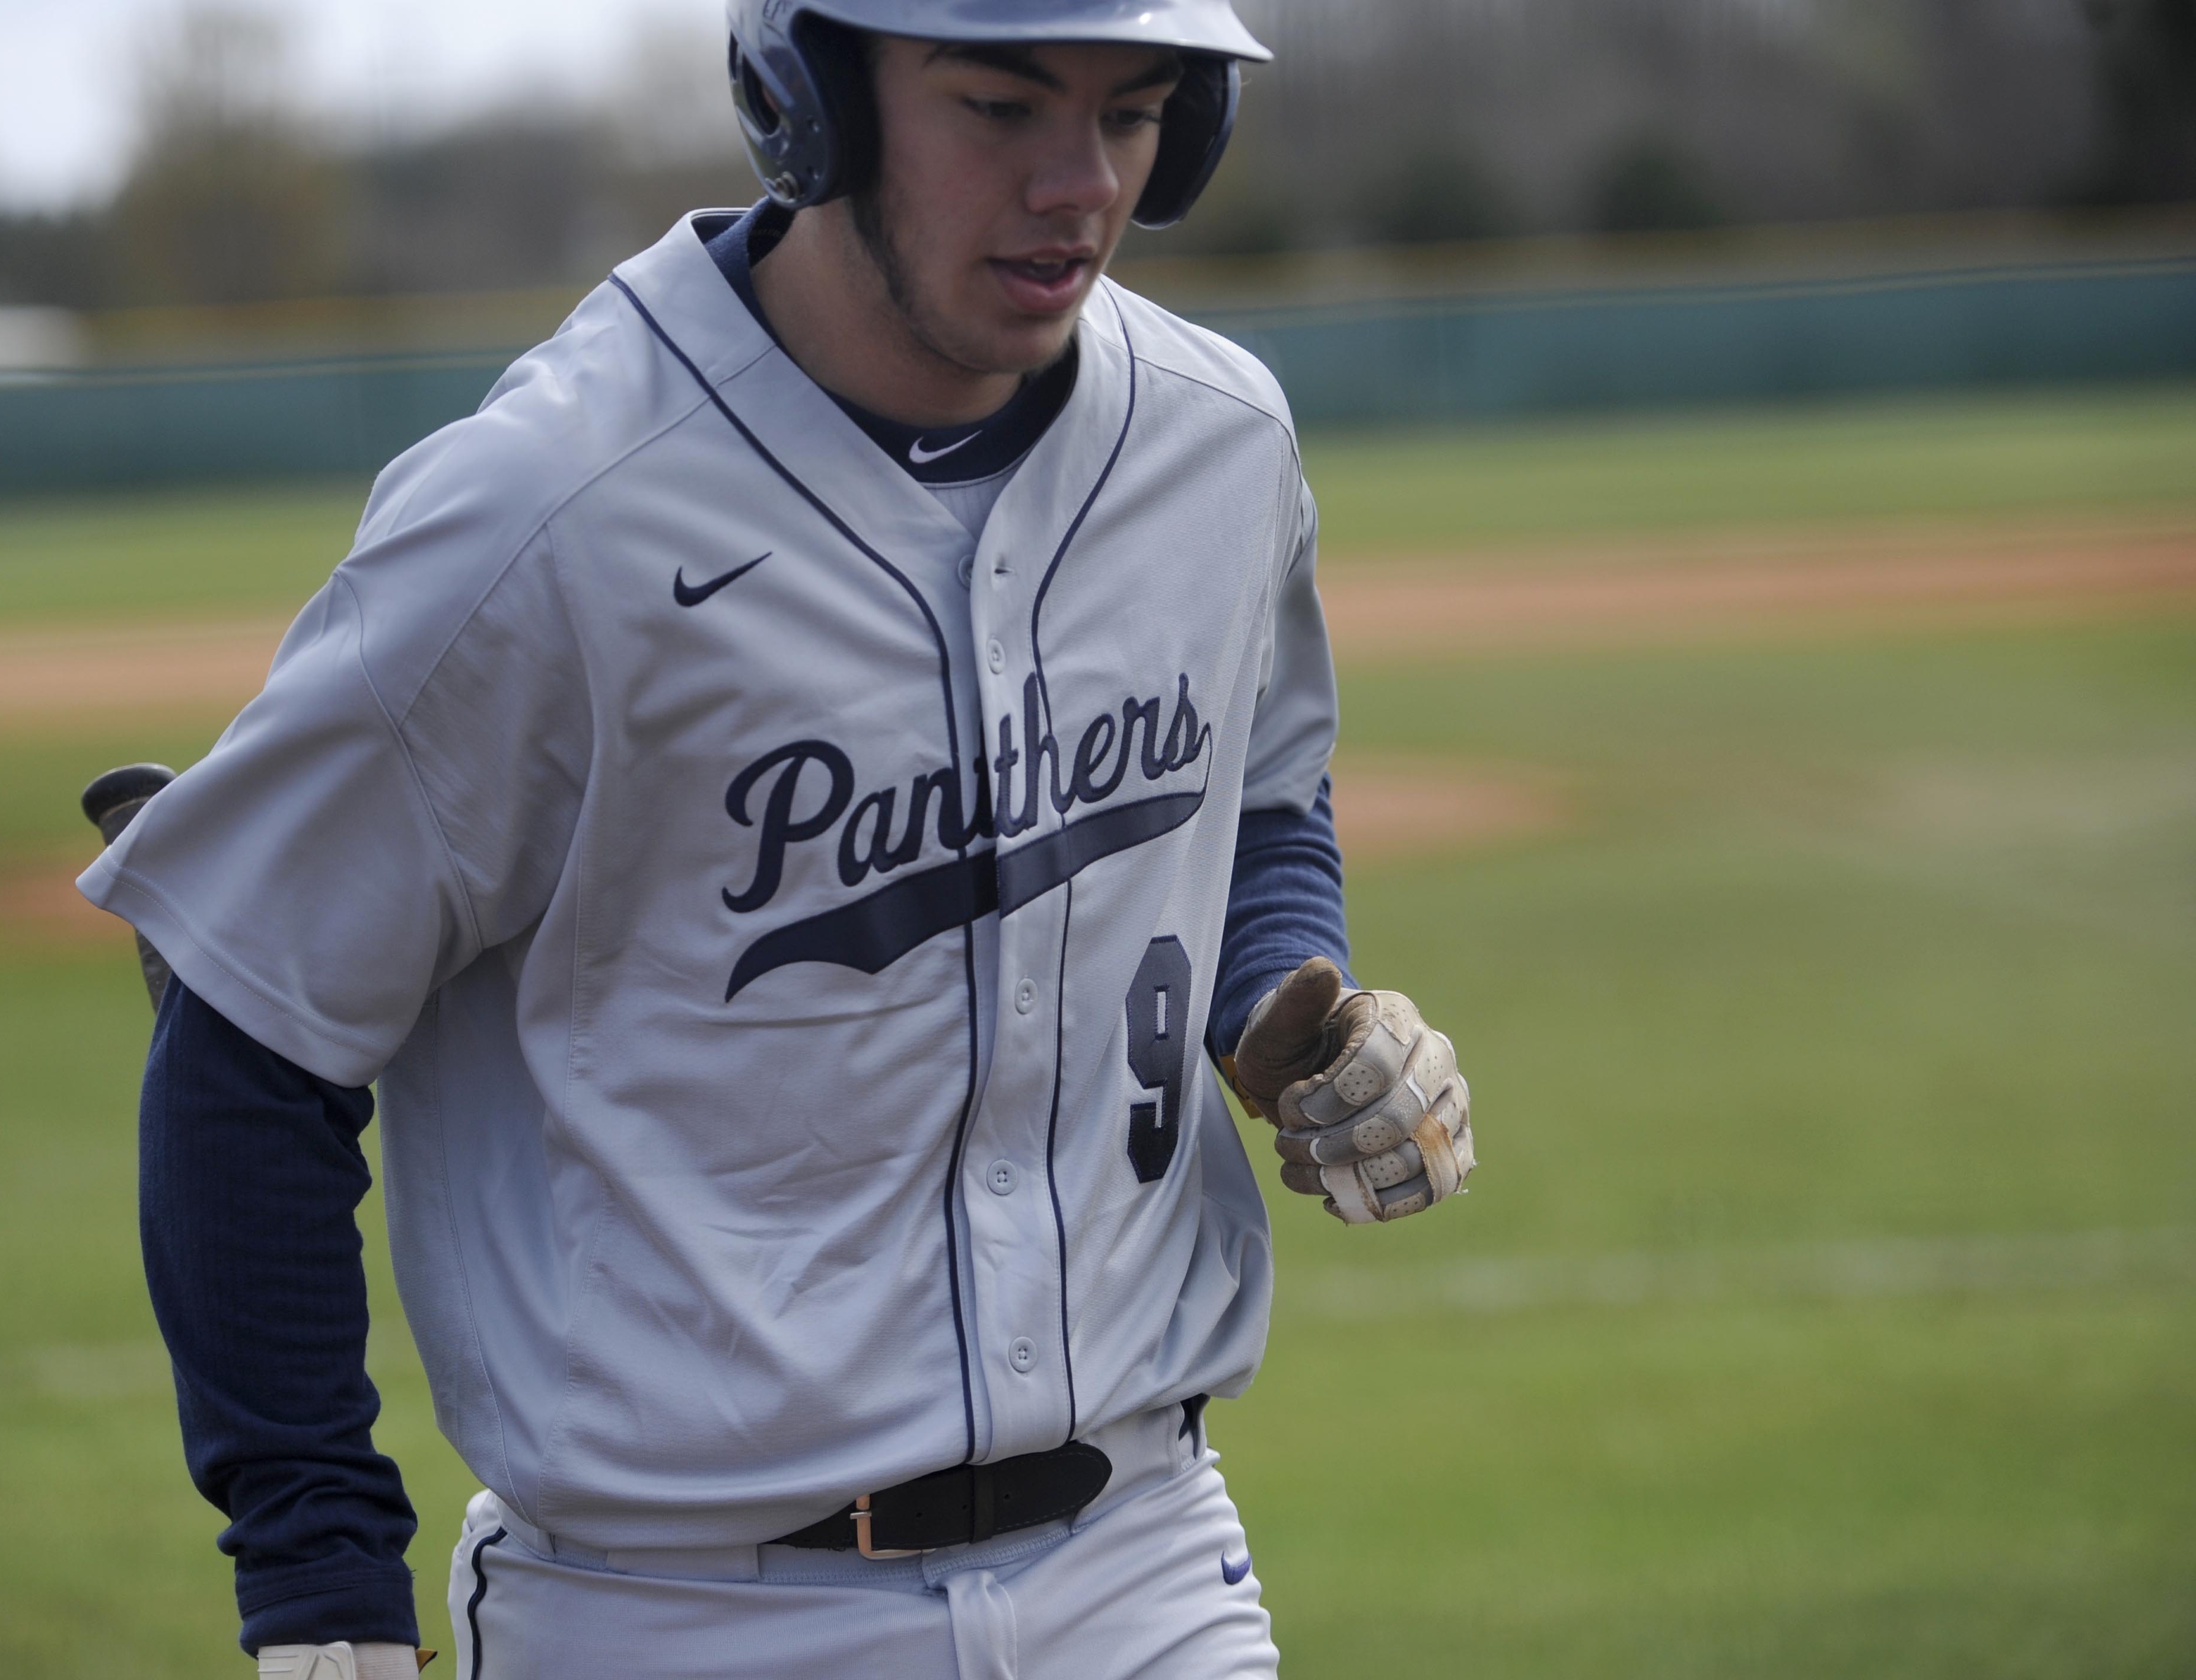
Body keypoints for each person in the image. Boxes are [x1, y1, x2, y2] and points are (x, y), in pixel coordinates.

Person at [79, 3, 1475, 1675]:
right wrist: (315, 1588)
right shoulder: (547, 511)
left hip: (1146, 1566)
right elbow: (245, 1032)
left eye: (1134, 114)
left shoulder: (1220, 443)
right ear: (802, 96)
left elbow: (1256, 793)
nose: (1077, 184)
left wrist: (1281, 1000)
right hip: (676, 1612)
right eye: (1000, 104)